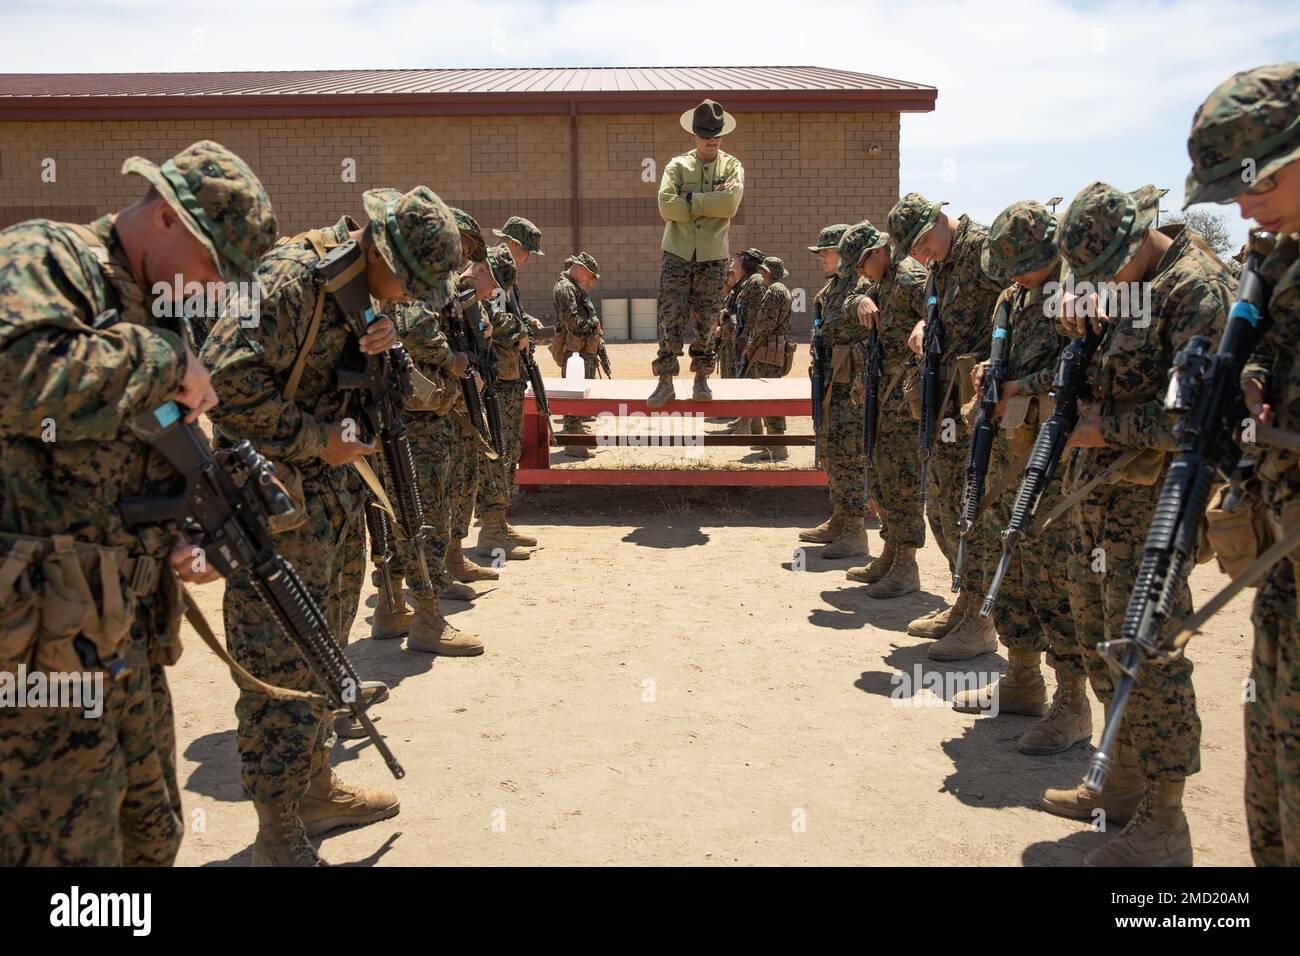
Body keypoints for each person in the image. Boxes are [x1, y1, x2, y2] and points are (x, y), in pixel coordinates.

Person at [0, 140, 277, 866]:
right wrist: (164, 363)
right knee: (66, 853)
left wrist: (178, 533)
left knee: (150, 839)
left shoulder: (161, 306)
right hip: (33, 656)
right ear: (164, 219)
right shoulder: (47, 256)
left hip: (122, 637)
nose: (216, 290)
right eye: (215, 267)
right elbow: (18, 374)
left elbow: (128, 454)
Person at [203, 185, 461, 865]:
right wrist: (319, 439)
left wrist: (380, 345)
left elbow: (357, 387)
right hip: (277, 512)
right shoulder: (287, 282)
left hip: (333, 508)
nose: (407, 298)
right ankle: (277, 830)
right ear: (378, 247)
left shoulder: (363, 292)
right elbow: (221, 386)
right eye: (408, 283)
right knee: (278, 671)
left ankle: (313, 789)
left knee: (323, 651)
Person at [1042, 180, 1234, 866]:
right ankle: (1119, 783)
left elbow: (1201, 419)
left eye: (1103, 271)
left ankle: (1165, 821)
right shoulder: (1129, 279)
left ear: (1138, 240)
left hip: (1153, 506)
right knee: (1100, 636)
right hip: (1099, 498)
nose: (1098, 284)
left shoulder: (1196, 290)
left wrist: (1106, 431)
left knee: (1148, 655)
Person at [1187, 61, 1300, 866]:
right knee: (1274, 787)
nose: (1240, 201)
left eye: (1252, 178)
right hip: (1284, 565)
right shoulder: (1283, 263)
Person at [947, 201, 1091, 753]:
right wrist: (988, 370)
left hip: (1051, 464)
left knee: (1056, 582)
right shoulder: (1012, 296)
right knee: (1011, 572)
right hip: (1005, 454)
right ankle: (1022, 678)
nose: (1012, 277)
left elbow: (1077, 369)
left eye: (1022, 266)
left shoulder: (1074, 294)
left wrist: (1021, 386)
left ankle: (1072, 704)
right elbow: (1001, 354)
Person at [887, 193, 1005, 657]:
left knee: (971, 509)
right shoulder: (940, 264)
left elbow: (1026, 294)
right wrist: (922, 320)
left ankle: (981, 620)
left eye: (922, 242)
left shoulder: (985, 247)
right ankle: (965, 603)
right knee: (940, 505)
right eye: (911, 251)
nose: (919, 254)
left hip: (978, 404)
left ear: (940, 219)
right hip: (944, 402)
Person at [841, 225, 928, 597]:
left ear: (879, 251)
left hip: (905, 399)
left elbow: (940, 318)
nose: (859, 273)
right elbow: (847, 305)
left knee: (902, 479)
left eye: (861, 264)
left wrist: (924, 324)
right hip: (881, 395)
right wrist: (856, 301)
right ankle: (891, 551)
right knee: (879, 475)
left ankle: (907, 566)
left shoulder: (911, 278)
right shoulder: (880, 281)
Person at [647, 99, 745, 407]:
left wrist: (689, 201)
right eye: (705, 134)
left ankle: (701, 380)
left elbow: (729, 204)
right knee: (669, 318)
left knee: (707, 320)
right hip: (677, 254)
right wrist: (708, 203)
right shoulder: (677, 166)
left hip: (713, 256)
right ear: (693, 135)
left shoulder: (732, 166)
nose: (711, 139)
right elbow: (665, 205)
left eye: (716, 133)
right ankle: (665, 382)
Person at [477, 215, 547, 555]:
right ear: (514, 244)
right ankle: (491, 533)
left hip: (510, 374)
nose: (528, 258)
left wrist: (524, 321)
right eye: (528, 251)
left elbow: (505, 311)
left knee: (510, 450)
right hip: (497, 378)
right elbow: (488, 314)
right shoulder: (488, 269)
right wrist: (518, 332)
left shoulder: (504, 272)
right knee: (499, 452)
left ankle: (500, 526)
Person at [739, 256, 794, 461]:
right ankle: (773, 444)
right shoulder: (784, 290)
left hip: (767, 349)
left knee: (770, 398)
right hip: (775, 348)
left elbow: (764, 323)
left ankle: (777, 447)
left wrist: (751, 346)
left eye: (763, 272)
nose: (761, 275)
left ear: (768, 272)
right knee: (771, 396)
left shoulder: (774, 291)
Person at [551, 252, 603, 459]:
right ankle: (573, 441)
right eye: (590, 276)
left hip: (581, 349)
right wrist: (593, 325)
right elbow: (572, 320)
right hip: (573, 350)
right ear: (580, 268)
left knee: (580, 392)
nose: (591, 282)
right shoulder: (565, 289)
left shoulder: (573, 287)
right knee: (573, 392)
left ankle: (577, 432)